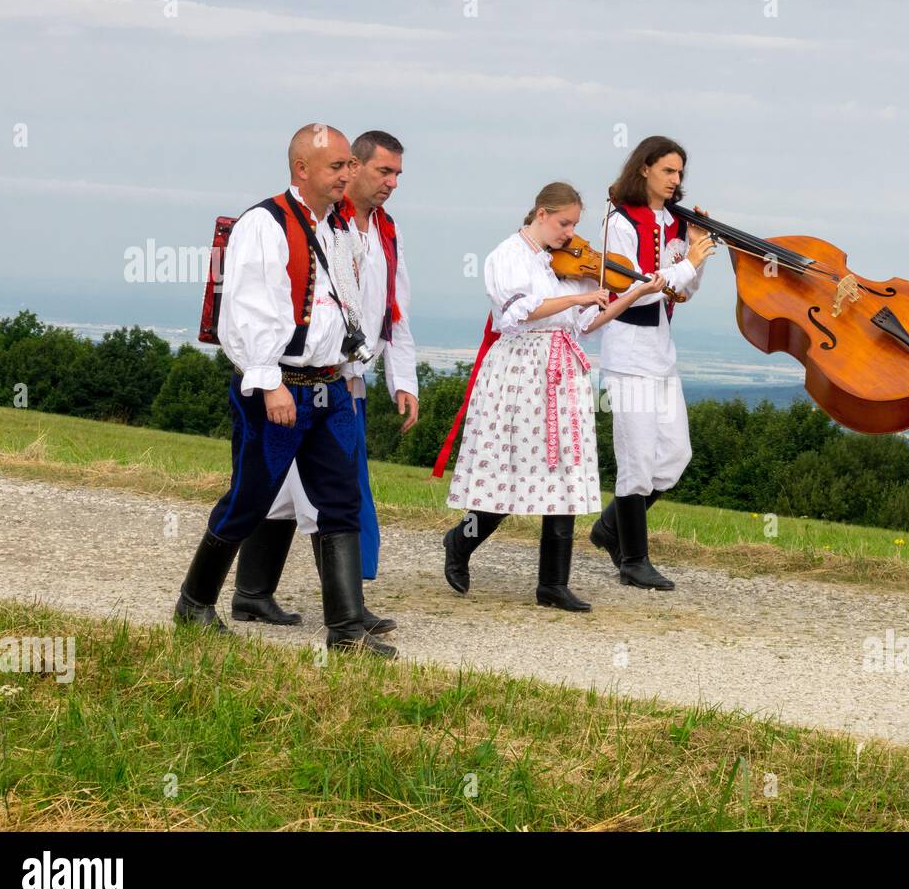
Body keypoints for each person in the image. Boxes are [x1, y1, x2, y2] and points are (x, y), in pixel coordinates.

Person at [172, 123, 394, 658]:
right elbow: (245, 313)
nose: (349, 174)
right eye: (337, 166)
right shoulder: (264, 224)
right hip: (277, 388)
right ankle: (194, 602)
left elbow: (342, 306)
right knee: (251, 497)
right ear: (302, 169)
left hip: (329, 385)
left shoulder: (340, 228)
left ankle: (345, 631)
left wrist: (349, 362)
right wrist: (269, 383)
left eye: (349, 165)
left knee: (339, 503)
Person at [441, 182, 665, 612]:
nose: (570, 234)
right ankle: (460, 541)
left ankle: (552, 584)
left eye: (575, 225)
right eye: (565, 223)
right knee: (513, 473)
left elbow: (584, 323)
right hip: (521, 371)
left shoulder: (553, 266)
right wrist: (580, 293)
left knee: (565, 471)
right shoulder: (507, 256)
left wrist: (633, 292)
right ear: (540, 214)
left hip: (563, 370)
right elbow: (516, 311)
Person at [227, 130, 418, 637]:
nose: (390, 183)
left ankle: (329, 613)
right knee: (281, 493)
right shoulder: (293, 224)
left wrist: (404, 377)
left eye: (397, 174)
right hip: (293, 376)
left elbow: (392, 312)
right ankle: (243, 596)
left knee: (321, 495)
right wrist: (270, 381)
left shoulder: (382, 231)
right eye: (382, 171)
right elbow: (257, 310)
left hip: (340, 375)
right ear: (350, 168)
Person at [588, 136, 714, 590]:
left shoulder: (675, 223)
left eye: (680, 173)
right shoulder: (618, 221)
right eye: (667, 171)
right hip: (627, 349)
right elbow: (632, 287)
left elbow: (682, 290)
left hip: (662, 350)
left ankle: (608, 528)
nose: (675, 180)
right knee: (637, 459)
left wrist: (695, 258)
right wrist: (688, 263)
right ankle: (633, 561)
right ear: (644, 169)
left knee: (676, 455)